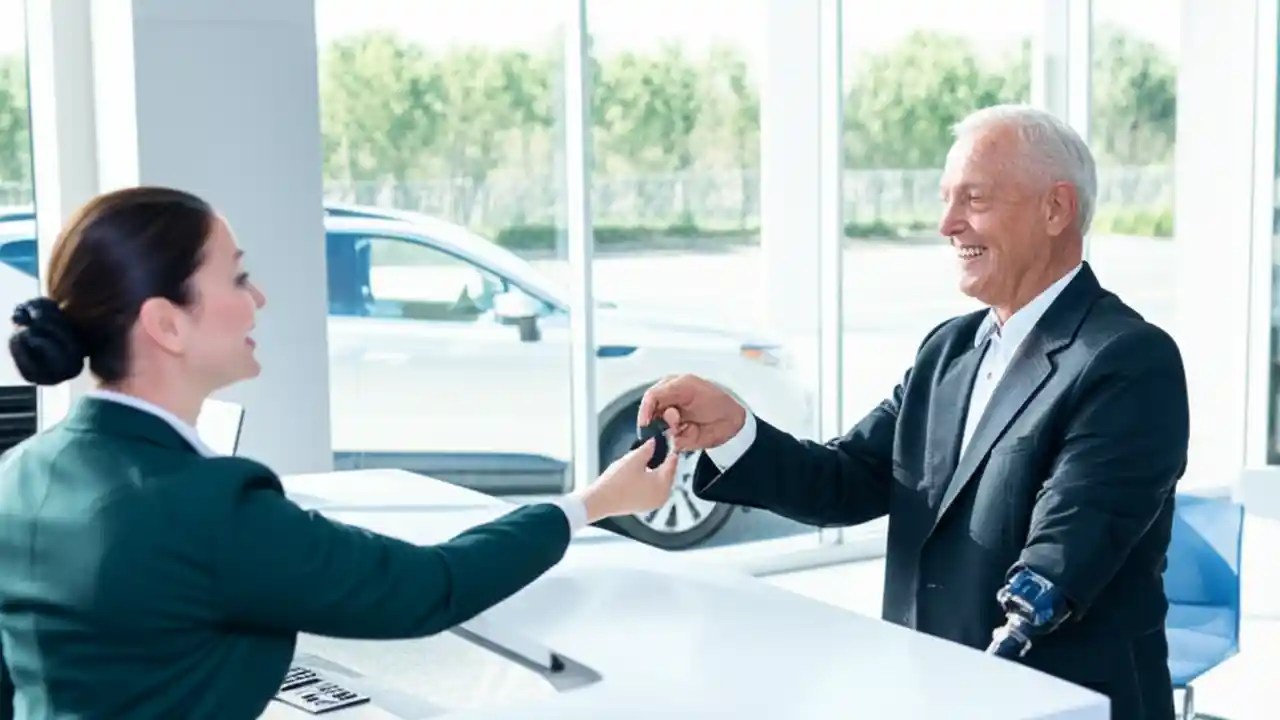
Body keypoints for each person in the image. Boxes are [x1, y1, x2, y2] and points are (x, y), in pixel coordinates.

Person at [0, 186, 679, 719]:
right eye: (237, 279)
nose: (258, 298)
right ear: (166, 323)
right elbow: (428, 588)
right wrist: (595, 502)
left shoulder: (22, 473)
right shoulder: (202, 506)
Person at [640, 104, 1188, 720]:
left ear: (1055, 209)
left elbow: (1068, 541)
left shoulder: (1127, 358)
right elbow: (846, 481)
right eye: (946, 199)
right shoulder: (947, 349)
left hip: (1052, 701)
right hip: (934, 689)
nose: (947, 223)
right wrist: (736, 430)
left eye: (974, 199)